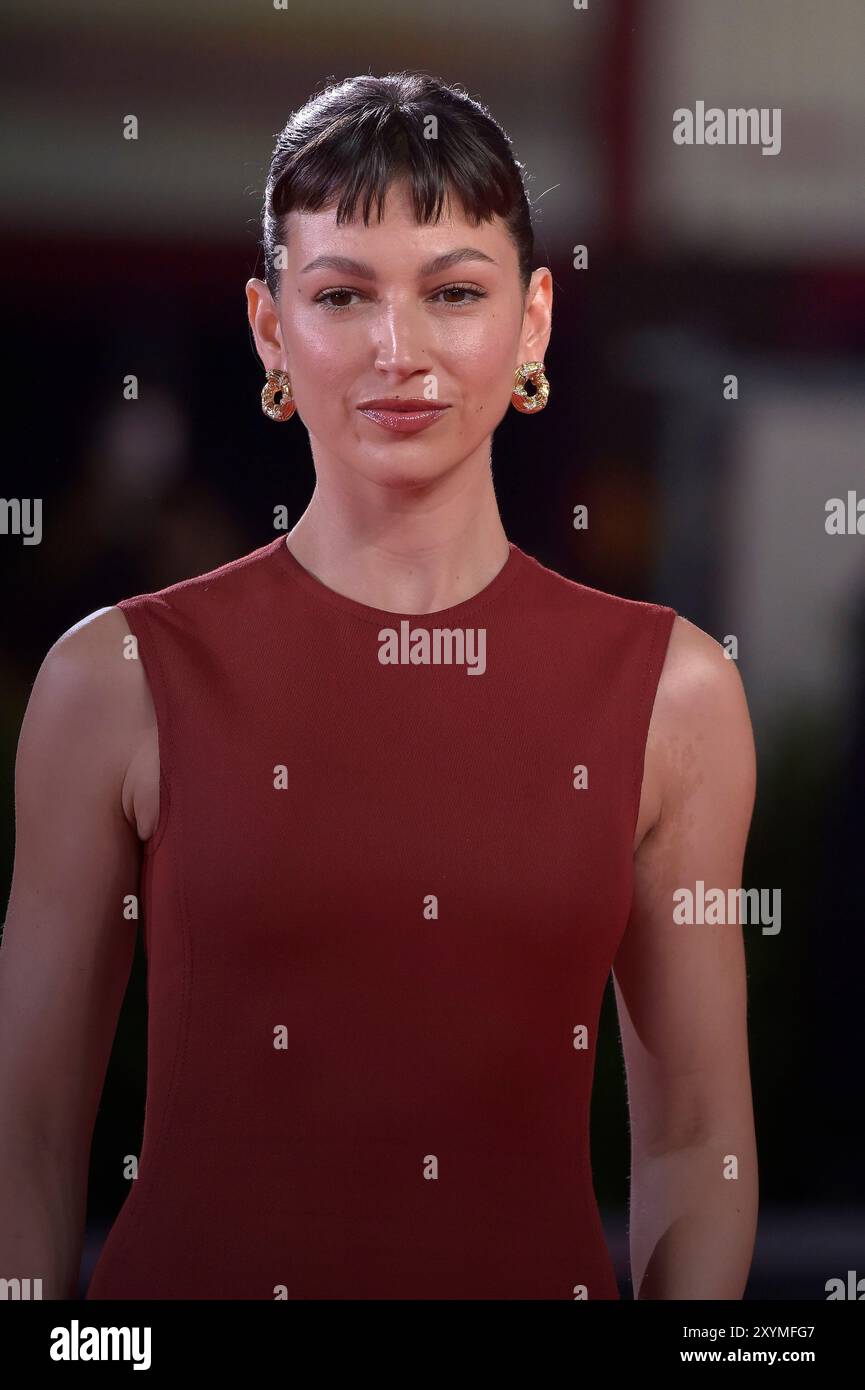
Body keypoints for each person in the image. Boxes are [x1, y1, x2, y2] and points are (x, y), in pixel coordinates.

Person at [0, 71, 757, 1300]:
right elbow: (25, 1144)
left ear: (532, 322)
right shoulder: (119, 677)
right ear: (268, 328)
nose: (396, 351)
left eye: (453, 292)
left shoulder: (671, 691)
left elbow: (698, 1139)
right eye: (342, 295)